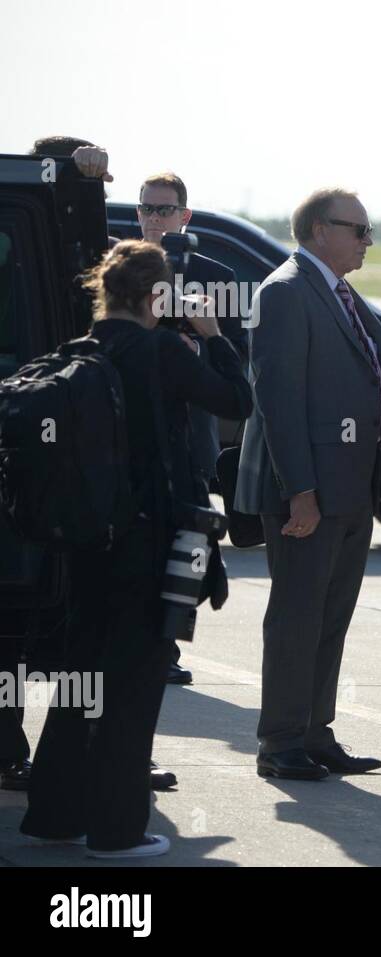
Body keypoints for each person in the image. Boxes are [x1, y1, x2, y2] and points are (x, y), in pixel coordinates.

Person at [19, 241, 251, 858]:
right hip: (148, 544)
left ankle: (53, 814)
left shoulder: (77, 351)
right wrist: (215, 334)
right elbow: (238, 402)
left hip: (85, 543)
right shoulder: (162, 351)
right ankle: (117, 832)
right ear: (156, 296)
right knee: (132, 688)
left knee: (81, 677)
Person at [233, 188, 381, 781]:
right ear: (320, 230)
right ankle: (279, 741)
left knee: (331, 616)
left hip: (348, 488)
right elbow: (278, 400)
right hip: (309, 493)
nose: (366, 241)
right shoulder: (286, 292)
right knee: (299, 616)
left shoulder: (337, 292)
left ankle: (314, 732)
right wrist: (299, 489)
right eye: (359, 230)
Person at [1, 135, 115, 793]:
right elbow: (91, 293)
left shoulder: (32, 238)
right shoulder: (22, 240)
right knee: (23, 616)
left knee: (20, 620)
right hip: (29, 452)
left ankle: (17, 745)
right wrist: (78, 187)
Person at [136, 170, 250, 687]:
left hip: (192, 422)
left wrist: (199, 347)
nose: (155, 219)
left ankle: (170, 647)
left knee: (187, 535)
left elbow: (237, 355)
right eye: (147, 209)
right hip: (131, 421)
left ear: (185, 215)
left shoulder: (214, 275)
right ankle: (132, 638)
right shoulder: (118, 269)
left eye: (164, 210)